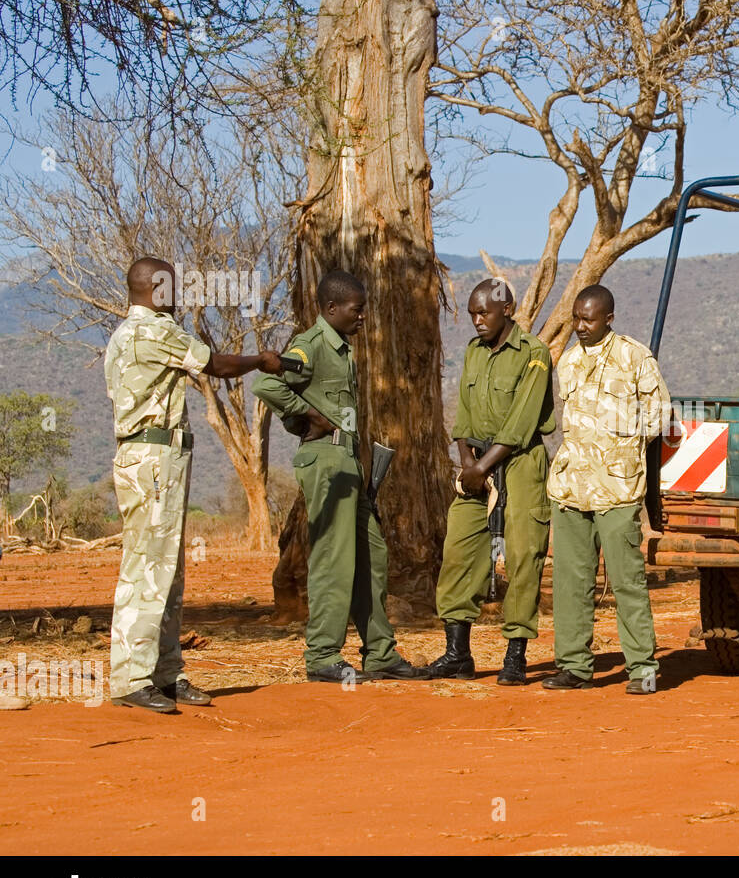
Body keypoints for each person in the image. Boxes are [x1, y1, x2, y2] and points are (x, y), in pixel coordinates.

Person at [106, 257, 285, 712]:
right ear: (156, 289)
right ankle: (131, 677)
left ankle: (164, 672)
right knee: (148, 567)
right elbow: (216, 365)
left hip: (150, 454)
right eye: (173, 286)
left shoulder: (123, 334)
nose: (180, 293)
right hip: (153, 458)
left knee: (164, 566)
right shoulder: (153, 330)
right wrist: (262, 360)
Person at [252, 270, 430, 685]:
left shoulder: (342, 347)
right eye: (357, 309)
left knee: (373, 555)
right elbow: (266, 384)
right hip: (326, 462)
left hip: (349, 462)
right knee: (333, 558)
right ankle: (322, 656)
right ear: (331, 308)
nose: (362, 316)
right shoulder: (310, 346)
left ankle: (380, 653)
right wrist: (309, 417)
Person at [543, 285, 671, 694]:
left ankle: (643, 668)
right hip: (570, 487)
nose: (580, 326)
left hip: (617, 488)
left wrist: (620, 449)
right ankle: (575, 666)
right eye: (577, 318)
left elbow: (658, 419)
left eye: (589, 319)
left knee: (626, 579)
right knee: (570, 581)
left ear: (608, 318)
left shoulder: (635, 357)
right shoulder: (567, 361)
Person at [431, 279, 555, 685]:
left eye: (483, 312)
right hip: (476, 465)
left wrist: (483, 467)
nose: (476, 320)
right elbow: (464, 414)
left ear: (507, 309)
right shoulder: (473, 350)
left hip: (518, 463)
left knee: (523, 555)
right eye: (471, 314)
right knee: (459, 548)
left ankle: (515, 655)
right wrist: (468, 464)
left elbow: (521, 422)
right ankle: (457, 654)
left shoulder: (533, 354)